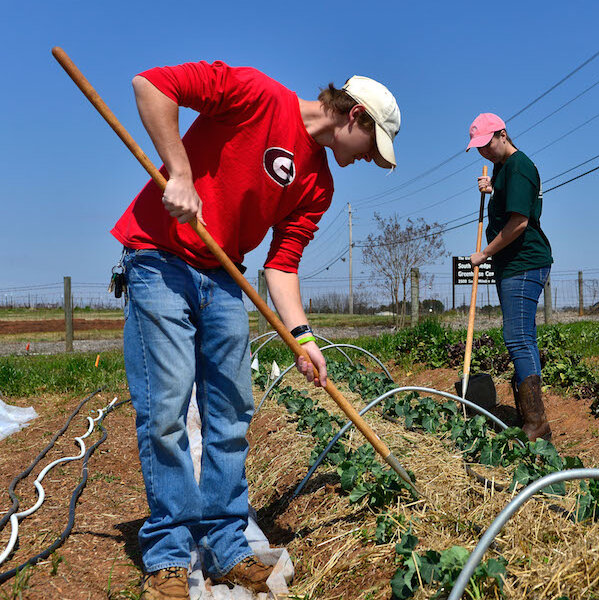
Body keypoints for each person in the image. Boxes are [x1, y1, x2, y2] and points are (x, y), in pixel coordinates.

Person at [111, 60, 400, 599]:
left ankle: (226, 543)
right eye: (371, 144)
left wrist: (304, 339)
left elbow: (282, 265)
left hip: (223, 274)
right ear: (353, 115)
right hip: (159, 259)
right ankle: (171, 554)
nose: (367, 158)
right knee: (168, 408)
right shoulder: (256, 94)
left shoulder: (320, 185)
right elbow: (150, 84)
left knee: (230, 411)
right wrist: (179, 171)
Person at [466, 113, 553, 442]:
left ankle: (536, 423)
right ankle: (530, 419)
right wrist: (493, 187)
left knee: (517, 338)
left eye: (486, 144)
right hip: (514, 263)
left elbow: (518, 223)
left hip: (524, 262)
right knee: (523, 339)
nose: (483, 152)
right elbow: (511, 198)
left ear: (502, 134)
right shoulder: (505, 168)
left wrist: (485, 253)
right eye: (477, 148)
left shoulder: (518, 166)